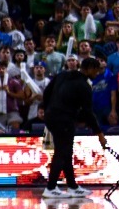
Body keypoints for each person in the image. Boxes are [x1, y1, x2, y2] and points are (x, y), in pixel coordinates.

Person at [41, 56, 105, 198]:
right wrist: (99, 133)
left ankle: (72, 186)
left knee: (66, 152)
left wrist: (47, 109)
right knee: (62, 152)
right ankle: (51, 188)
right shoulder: (84, 86)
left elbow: (46, 92)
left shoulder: (62, 75)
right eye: (96, 70)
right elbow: (88, 112)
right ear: (89, 69)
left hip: (51, 116)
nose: (97, 73)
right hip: (63, 119)